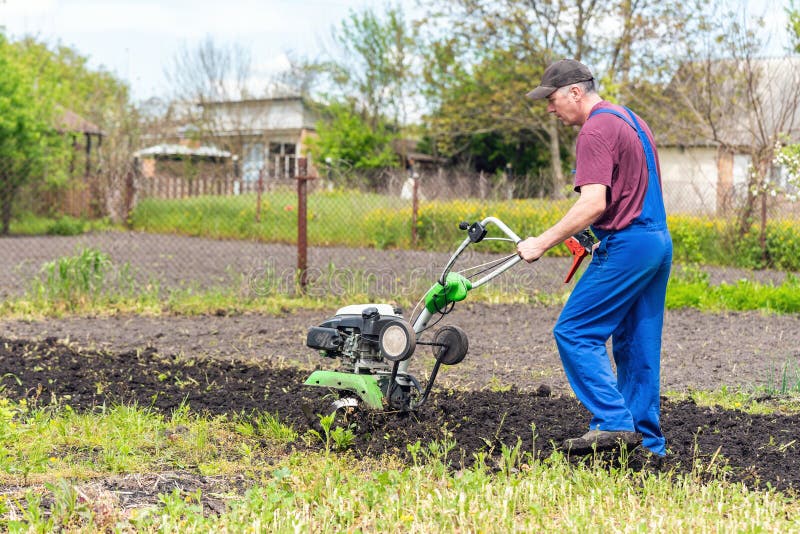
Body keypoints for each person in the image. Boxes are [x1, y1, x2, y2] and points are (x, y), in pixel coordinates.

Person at [517, 59, 673, 456]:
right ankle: (647, 445)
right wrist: (594, 234)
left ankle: (613, 422)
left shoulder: (595, 129)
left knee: (574, 332)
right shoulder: (630, 120)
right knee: (636, 344)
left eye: (552, 99)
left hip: (629, 245)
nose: (550, 109)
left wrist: (542, 242)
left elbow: (593, 201)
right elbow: (626, 191)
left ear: (574, 91)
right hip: (656, 240)